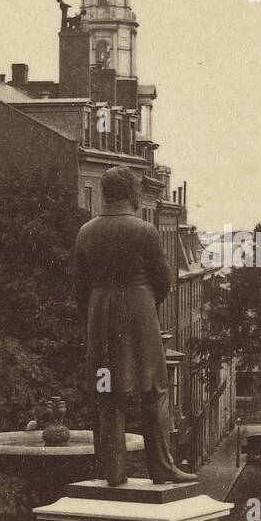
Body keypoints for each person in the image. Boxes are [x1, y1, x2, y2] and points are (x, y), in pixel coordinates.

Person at [75, 165, 198, 486]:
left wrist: (98, 311)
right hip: (139, 311)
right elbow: (164, 280)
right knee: (154, 390)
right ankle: (162, 468)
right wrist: (143, 304)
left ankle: (113, 472)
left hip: (100, 315)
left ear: (106, 194)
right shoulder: (145, 231)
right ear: (132, 194)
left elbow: (80, 287)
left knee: (108, 394)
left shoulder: (85, 232)